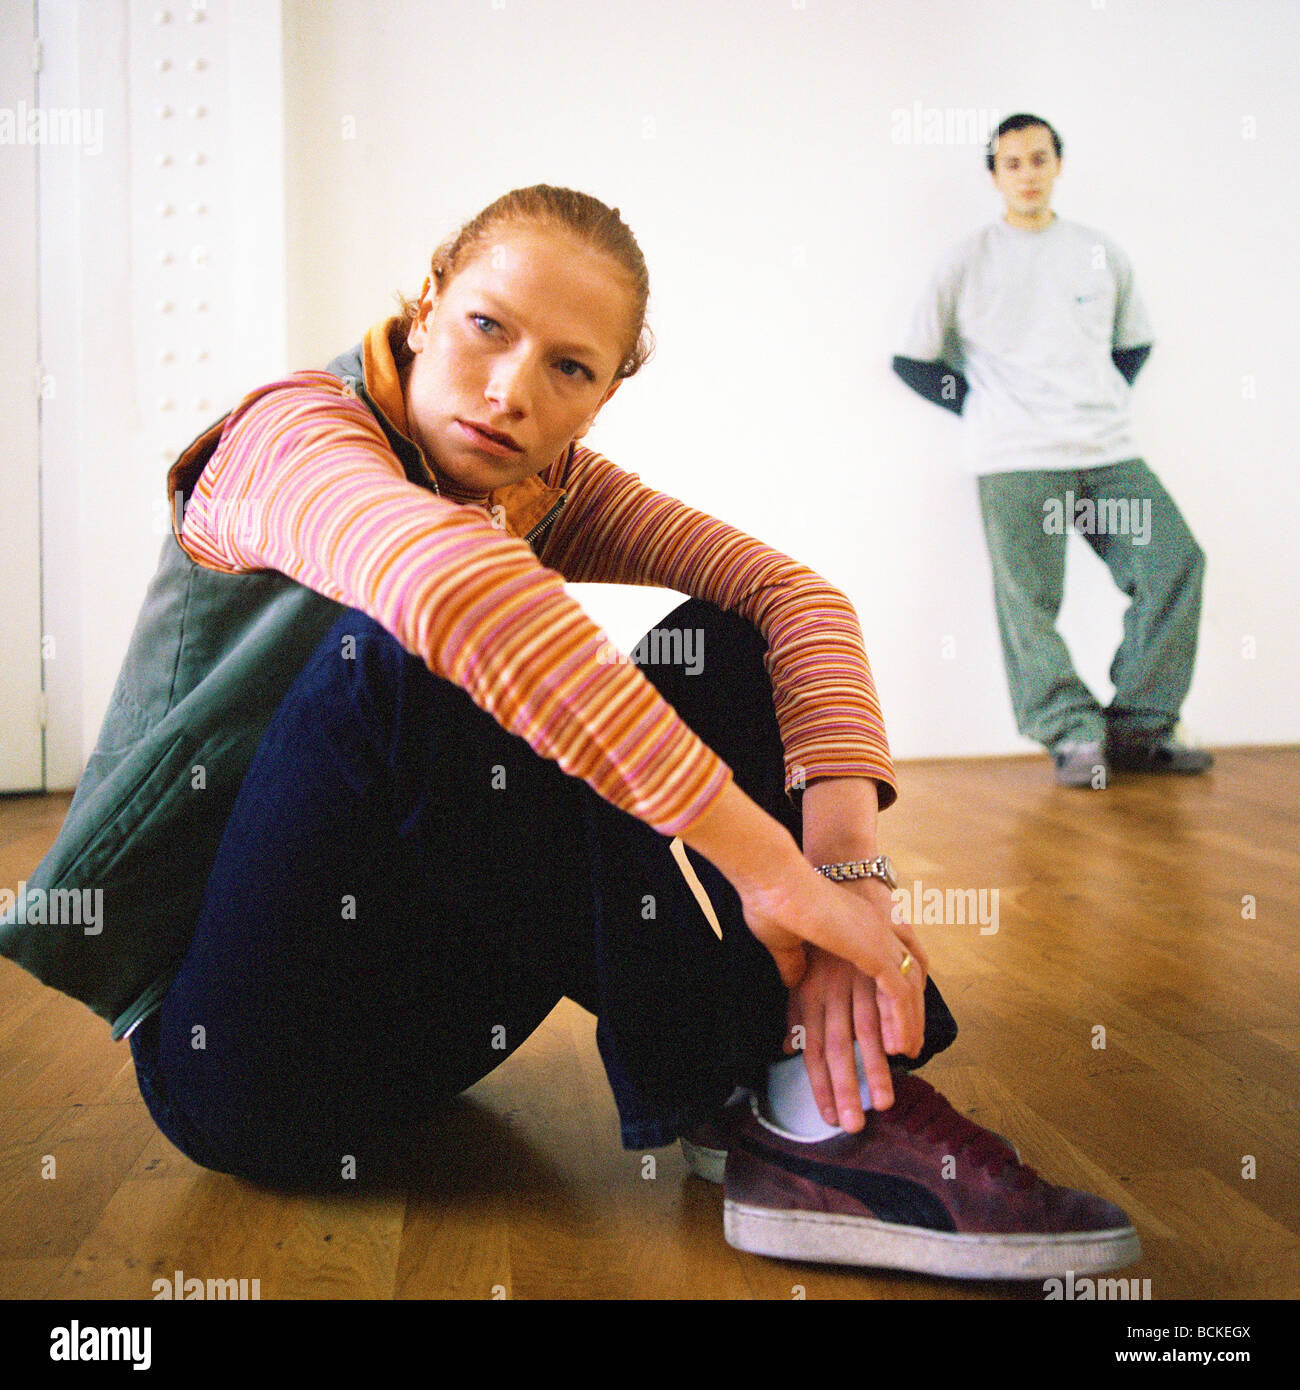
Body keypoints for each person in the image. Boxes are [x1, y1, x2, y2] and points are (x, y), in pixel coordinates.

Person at [2, 185, 1138, 1280]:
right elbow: (444, 589)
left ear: (603, 396)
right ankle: (755, 1074)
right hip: (243, 1063)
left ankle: (819, 1093)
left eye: (568, 370)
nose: (510, 392)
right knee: (412, 660)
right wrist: (763, 864)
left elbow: (800, 604)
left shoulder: (545, 482)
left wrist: (841, 870)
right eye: (486, 327)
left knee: (721, 633)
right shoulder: (289, 435)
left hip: (440, 1035)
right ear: (427, 300)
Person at [893, 114, 1211, 788]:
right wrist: (982, 406)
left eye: (1039, 158)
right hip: (1014, 457)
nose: (1028, 172)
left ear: (1058, 165)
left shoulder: (1098, 250)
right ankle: (1070, 734)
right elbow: (914, 360)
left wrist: (1088, 399)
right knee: (1030, 601)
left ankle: (1141, 729)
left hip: (1107, 450)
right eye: (1013, 162)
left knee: (1174, 564)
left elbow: (1133, 344)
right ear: (994, 174)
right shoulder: (966, 259)